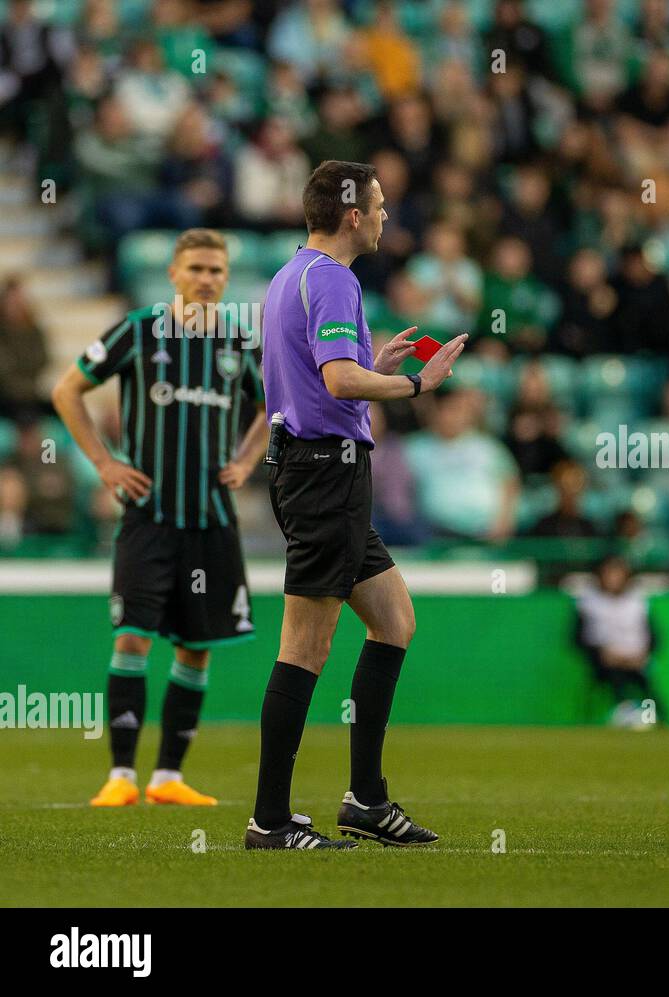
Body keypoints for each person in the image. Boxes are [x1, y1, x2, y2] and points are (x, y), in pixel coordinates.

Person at [248, 159, 466, 850]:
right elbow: (340, 383)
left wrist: (377, 359)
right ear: (350, 214)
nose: (383, 216)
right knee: (304, 649)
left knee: (394, 619)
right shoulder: (335, 280)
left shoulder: (292, 275)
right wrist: (420, 386)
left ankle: (365, 799)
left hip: (315, 472)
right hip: (325, 477)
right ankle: (270, 820)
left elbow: (324, 373)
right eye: (377, 206)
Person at [50, 228, 267, 808]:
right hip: (148, 517)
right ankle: (121, 775)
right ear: (173, 273)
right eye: (196, 268)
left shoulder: (238, 341)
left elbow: (276, 403)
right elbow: (68, 390)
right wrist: (104, 463)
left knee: (197, 646)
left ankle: (168, 777)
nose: (206, 279)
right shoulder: (141, 329)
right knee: (133, 639)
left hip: (212, 518)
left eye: (216, 271)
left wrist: (247, 459)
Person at [574, 555, 662, 727]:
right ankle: (623, 713)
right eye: (609, 573)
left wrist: (642, 654)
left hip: (636, 660)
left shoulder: (638, 601)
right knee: (616, 675)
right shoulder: (588, 602)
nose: (613, 578)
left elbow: (654, 637)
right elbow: (577, 638)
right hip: (605, 662)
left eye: (617, 573)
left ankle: (655, 718)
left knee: (647, 684)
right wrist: (599, 653)